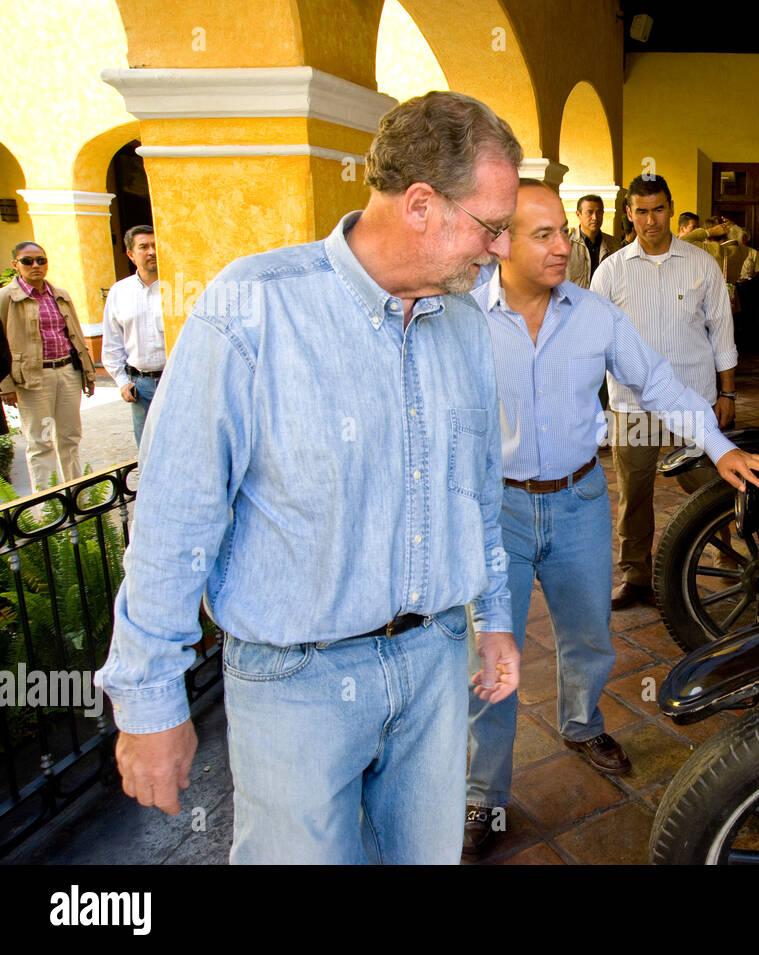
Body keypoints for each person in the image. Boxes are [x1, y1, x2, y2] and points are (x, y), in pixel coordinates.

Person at [94, 91, 524, 865]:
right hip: (296, 681)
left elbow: (478, 492)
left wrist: (493, 613)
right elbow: (174, 515)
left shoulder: (464, 325)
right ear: (421, 204)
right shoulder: (250, 310)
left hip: (433, 665)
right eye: (491, 227)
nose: (499, 249)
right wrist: (149, 699)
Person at [463, 181, 759, 855]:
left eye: (564, 233)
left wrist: (720, 447)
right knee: (493, 658)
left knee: (589, 637)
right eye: (543, 234)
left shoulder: (592, 313)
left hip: (578, 501)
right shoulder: (462, 318)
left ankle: (580, 724)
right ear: (500, 241)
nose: (563, 246)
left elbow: (659, 381)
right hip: (498, 513)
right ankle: (482, 794)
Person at [591, 175, 738, 610]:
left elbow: (722, 332)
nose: (650, 220)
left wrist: (727, 394)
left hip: (691, 403)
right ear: (629, 214)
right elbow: (594, 340)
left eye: (657, 209)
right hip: (631, 406)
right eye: (641, 211)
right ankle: (636, 575)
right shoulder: (611, 271)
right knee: (634, 494)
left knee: (709, 487)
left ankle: (725, 561)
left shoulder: (701, 264)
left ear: (671, 208)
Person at [0, 242, 95, 490]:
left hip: (67, 371)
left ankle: (78, 498)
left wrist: (87, 372)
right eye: (28, 261)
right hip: (32, 378)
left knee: (69, 437)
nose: (36, 266)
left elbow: (74, 332)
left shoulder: (60, 294)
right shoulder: (6, 298)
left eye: (41, 260)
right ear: (15, 265)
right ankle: (49, 508)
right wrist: (5, 385)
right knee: (40, 442)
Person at [102, 225, 165, 446]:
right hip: (141, 385)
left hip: (174, 380)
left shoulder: (178, 288)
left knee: (181, 445)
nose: (152, 251)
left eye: (155, 245)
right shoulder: (119, 292)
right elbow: (112, 343)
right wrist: (122, 382)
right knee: (147, 448)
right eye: (144, 247)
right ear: (130, 254)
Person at [564, 194, 618, 289]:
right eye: (589, 212)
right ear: (578, 214)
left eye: (599, 212)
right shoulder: (565, 245)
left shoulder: (614, 245)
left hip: (603, 301)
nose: (595, 217)